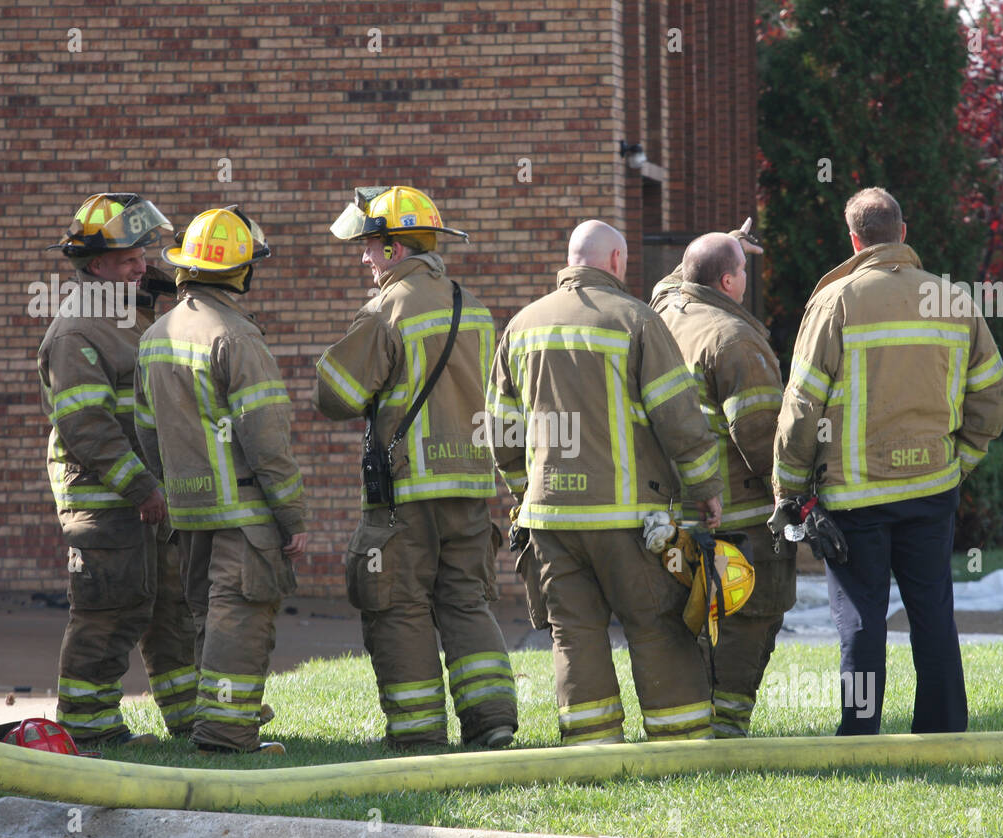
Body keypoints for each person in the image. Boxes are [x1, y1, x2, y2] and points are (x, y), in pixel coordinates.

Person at [772, 187, 1003, 735]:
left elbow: (802, 405)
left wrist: (788, 488)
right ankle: (944, 729)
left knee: (859, 619)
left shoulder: (837, 302)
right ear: (903, 234)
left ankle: (860, 734)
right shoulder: (951, 299)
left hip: (855, 499)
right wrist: (961, 461)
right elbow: (993, 393)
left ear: (854, 241)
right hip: (931, 490)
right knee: (932, 616)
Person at [487, 219, 723, 745]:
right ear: (615, 262)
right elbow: (678, 417)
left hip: (550, 521)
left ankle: (591, 744)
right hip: (630, 521)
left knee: (573, 632)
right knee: (656, 623)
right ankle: (680, 739)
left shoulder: (521, 327)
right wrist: (706, 488)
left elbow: (501, 429)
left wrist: (526, 491)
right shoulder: (636, 321)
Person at [315, 186, 518, 750]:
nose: (364, 258)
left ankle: (417, 731)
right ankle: (493, 719)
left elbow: (333, 396)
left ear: (397, 251)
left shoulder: (386, 309)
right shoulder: (471, 307)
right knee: (465, 601)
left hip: (405, 493)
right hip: (470, 490)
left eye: (372, 247)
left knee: (397, 603)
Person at [136, 205, 308, 755]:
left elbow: (147, 431)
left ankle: (217, 721)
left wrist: (174, 487)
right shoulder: (236, 337)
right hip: (244, 514)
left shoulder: (156, 336)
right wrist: (292, 515)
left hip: (190, 514)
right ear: (241, 272)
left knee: (210, 618)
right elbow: (267, 439)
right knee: (240, 619)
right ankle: (228, 735)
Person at [38, 192, 197, 748]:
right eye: (131, 258)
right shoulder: (78, 332)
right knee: (109, 608)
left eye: (142, 255)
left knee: (167, 601)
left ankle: (191, 714)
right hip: (106, 498)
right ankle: (88, 726)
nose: (143, 266)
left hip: (147, 493)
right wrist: (141, 487)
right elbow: (89, 429)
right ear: (97, 265)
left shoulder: (130, 311)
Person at [650, 225, 797, 737]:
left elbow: (680, 281)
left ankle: (691, 717)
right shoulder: (733, 339)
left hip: (674, 515)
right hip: (739, 516)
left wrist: (719, 242)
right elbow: (761, 438)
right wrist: (794, 495)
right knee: (750, 614)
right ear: (731, 281)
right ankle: (728, 725)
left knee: (687, 618)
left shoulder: (663, 314)